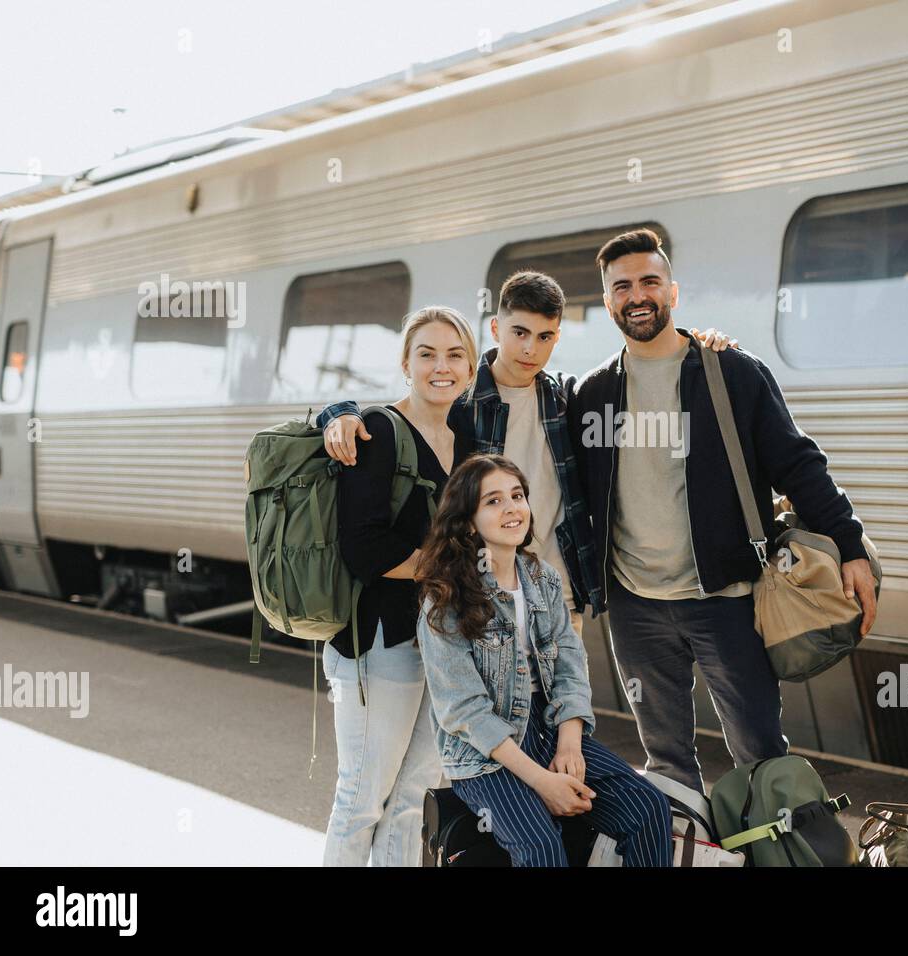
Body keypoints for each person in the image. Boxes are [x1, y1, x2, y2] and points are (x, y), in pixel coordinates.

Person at [567, 228, 879, 795]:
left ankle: (776, 850)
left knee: (761, 754)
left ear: (673, 291)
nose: (638, 296)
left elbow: (799, 465)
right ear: (608, 300)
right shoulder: (592, 394)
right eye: (622, 287)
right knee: (664, 763)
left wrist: (850, 545)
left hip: (727, 600)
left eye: (649, 282)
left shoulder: (731, 373)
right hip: (635, 608)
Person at [314, 271, 737, 637]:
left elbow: (639, 383)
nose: (530, 349)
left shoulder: (566, 399)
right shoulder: (462, 402)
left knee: (568, 723)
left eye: (545, 336)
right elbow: (405, 413)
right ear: (496, 329)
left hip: (560, 597)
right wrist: (338, 413)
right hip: (485, 599)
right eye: (520, 333)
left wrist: (693, 345)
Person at [415, 454, 673, 867]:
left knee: (647, 808)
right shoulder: (446, 599)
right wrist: (543, 782)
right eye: (493, 501)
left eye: (517, 495)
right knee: (540, 848)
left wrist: (570, 743)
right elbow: (463, 710)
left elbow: (570, 665)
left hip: (550, 727)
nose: (512, 508)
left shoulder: (544, 580)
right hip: (486, 752)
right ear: (467, 522)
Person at [321, 306, 476, 866]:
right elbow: (364, 550)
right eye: (427, 354)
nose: (442, 366)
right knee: (360, 801)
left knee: (413, 801)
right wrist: (451, 570)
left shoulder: (467, 436)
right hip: (379, 645)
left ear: (471, 367)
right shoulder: (378, 430)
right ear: (405, 364)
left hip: (442, 644)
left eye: (455, 354)